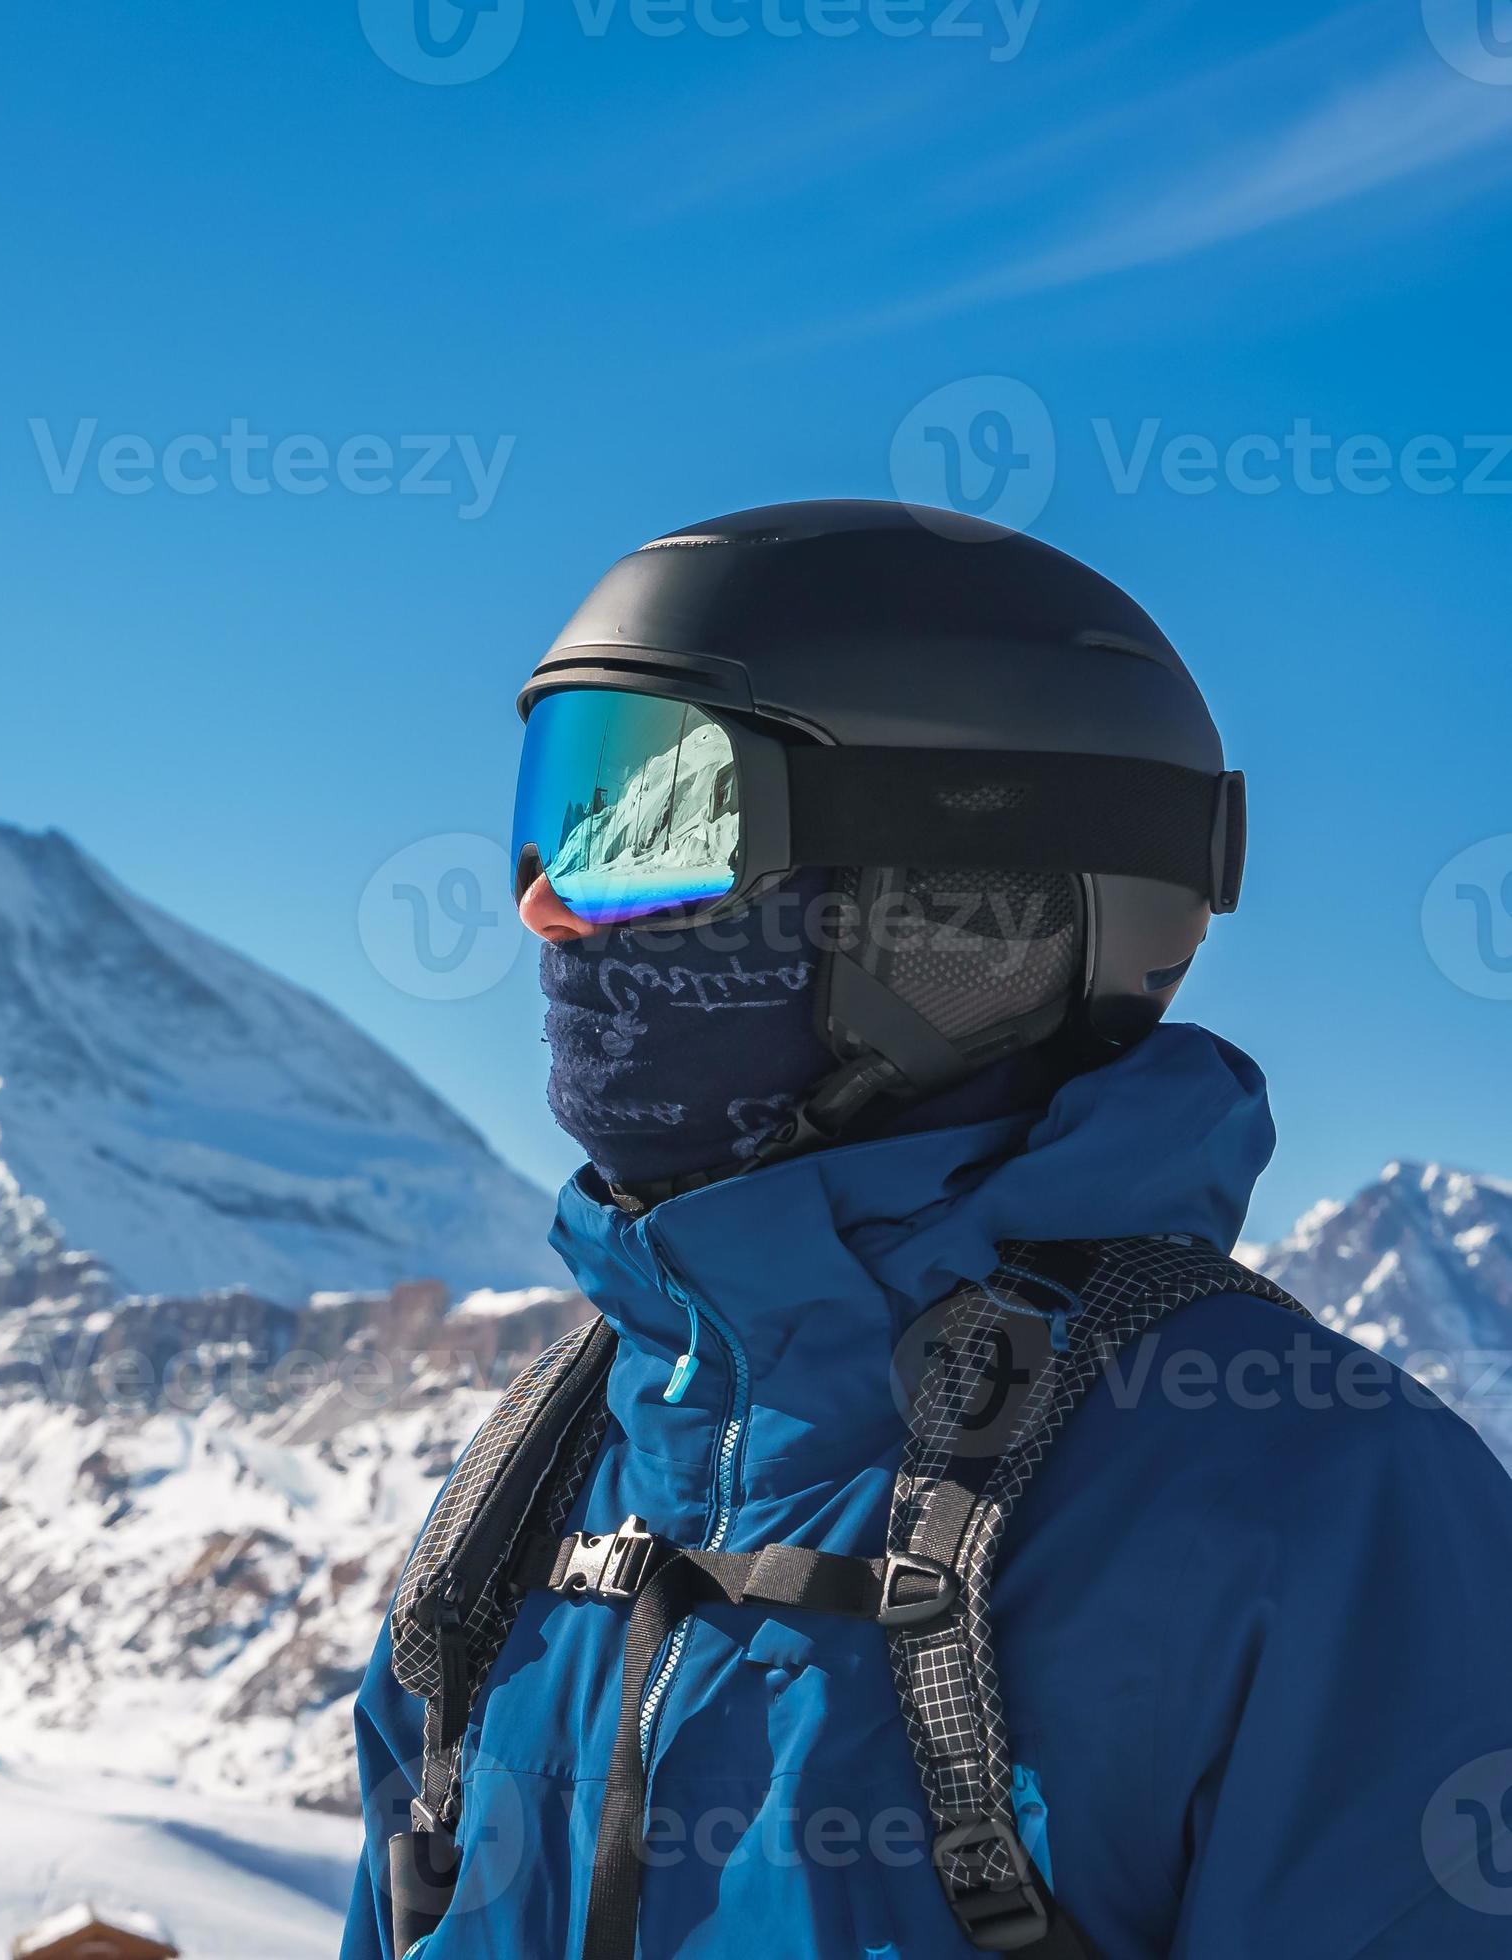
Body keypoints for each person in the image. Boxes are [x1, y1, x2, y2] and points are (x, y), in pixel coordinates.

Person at [342, 504, 1512, 1959]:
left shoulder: (1315, 1507)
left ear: (960, 919)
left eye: (651, 822)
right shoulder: (538, 1478)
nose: (541, 908)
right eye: (558, 815)